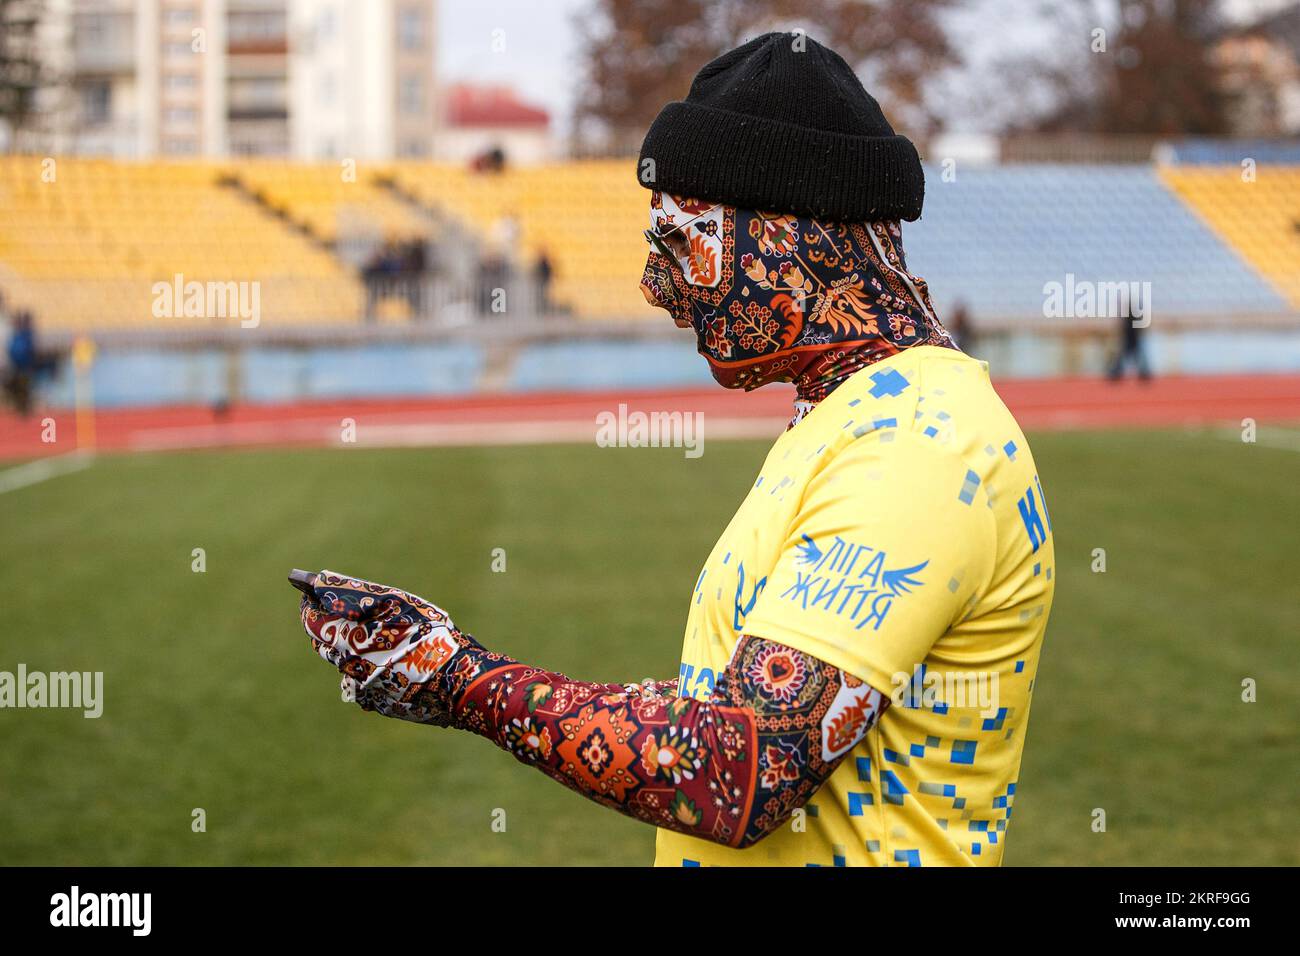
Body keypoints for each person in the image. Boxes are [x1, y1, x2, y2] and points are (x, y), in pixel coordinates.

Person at [293, 33, 1055, 867]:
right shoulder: (858, 413)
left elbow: (741, 763)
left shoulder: (918, 443)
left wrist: (460, 680)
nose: (655, 289)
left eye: (679, 244)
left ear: (790, 236)